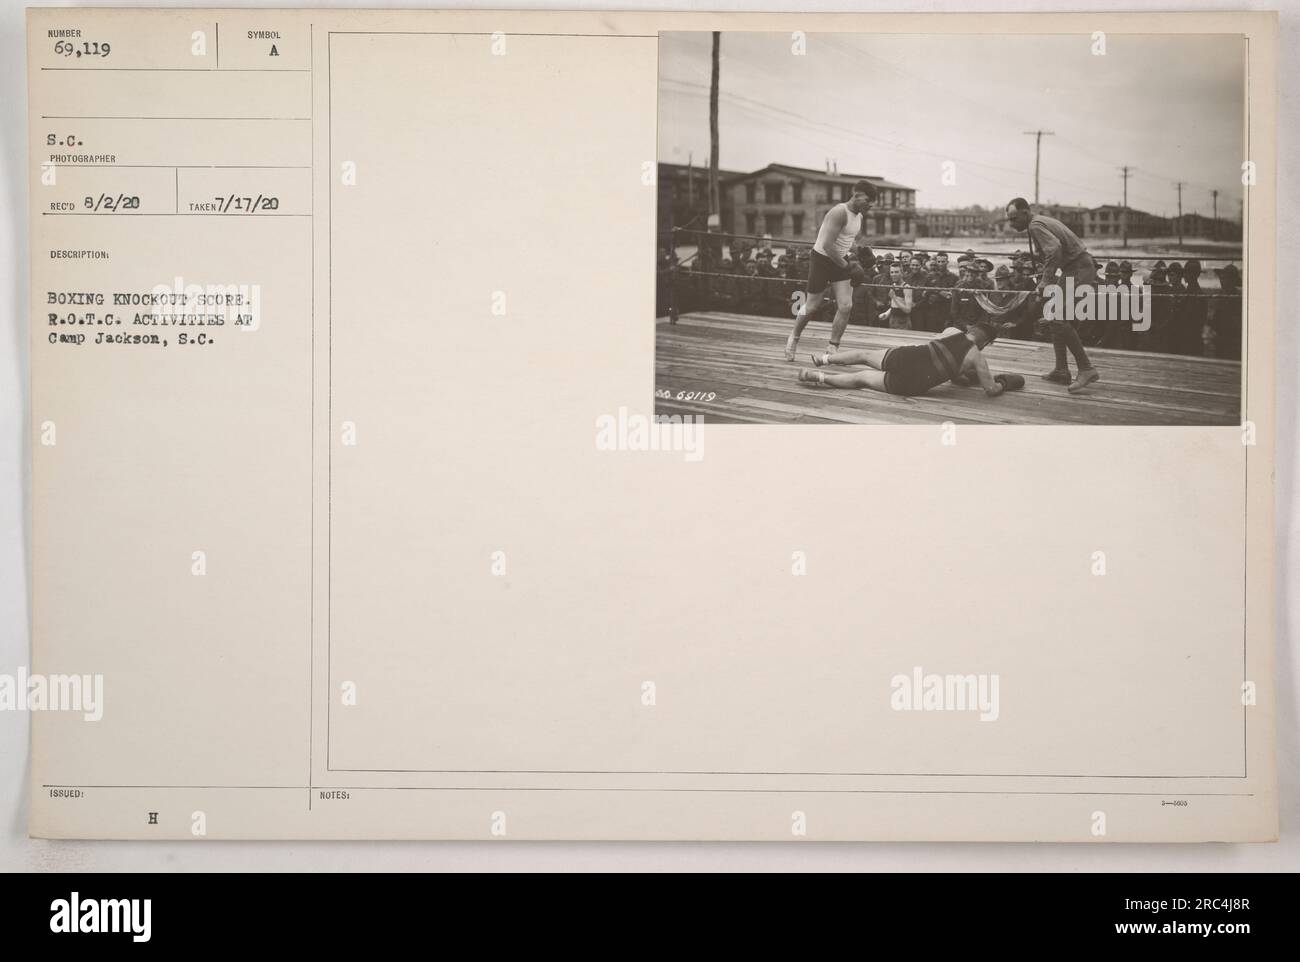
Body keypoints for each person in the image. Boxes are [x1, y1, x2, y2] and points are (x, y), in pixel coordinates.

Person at [1005, 197, 1100, 393]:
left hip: (1078, 268)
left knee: (1057, 317)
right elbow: (1056, 250)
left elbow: (1054, 249)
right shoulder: (1040, 221)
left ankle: (1086, 368)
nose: (1011, 224)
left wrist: (1046, 280)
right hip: (1074, 268)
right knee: (1054, 315)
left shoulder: (1035, 226)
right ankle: (1061, 370)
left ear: (1025, 213)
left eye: (1014, 219)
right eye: (1009, 219)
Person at [784, 181, 877, 360]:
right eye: (868, 199)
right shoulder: (838, 212)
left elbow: (847, 239)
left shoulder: (859, 217)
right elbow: (827, 245)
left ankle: (832, 348)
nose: (871, 204)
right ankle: (794, 337)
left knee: (846, 305)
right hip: (821, 260)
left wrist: (861, 251)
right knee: (812, 305)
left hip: (840, 259)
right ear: (856, 194)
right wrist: (848, 267)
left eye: (873, 201)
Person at [795, 321, 1011, 398]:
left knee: (863, 356)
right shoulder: (978, 358)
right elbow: (990, 390)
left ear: (972, 329)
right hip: (914, 383)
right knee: (862, 378)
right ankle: (818, 377)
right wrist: (1002, 383)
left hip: (907, 357)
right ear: (985, 342)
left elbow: (945, 353)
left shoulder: (951, 330)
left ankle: (823, 359)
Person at [880, 262, 914, 329]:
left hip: (903, 321)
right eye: (892, 272)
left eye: (896, 272)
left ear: (902, 273)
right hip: (892, 319)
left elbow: (908, 310)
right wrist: (887, 313)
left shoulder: (906, 287)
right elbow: (895, 305)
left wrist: (894, 297)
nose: (894, 274)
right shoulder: (893, 285)